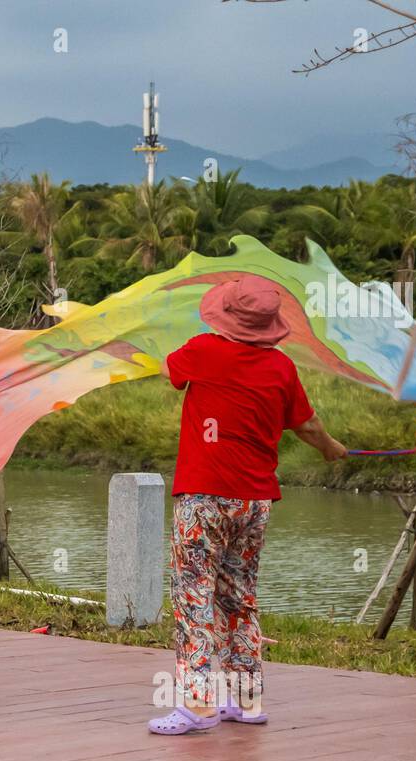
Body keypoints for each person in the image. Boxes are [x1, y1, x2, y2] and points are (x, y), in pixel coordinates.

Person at [148, 274, 347, 736]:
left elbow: (167, 370)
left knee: (194, 596)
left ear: (225, 318)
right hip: (254, 502)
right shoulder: (281, 369)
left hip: (204, 499)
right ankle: (247, 700)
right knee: (239, 598)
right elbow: (309, 425)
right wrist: (332, 449)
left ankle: (198, 706)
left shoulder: (202, 351)